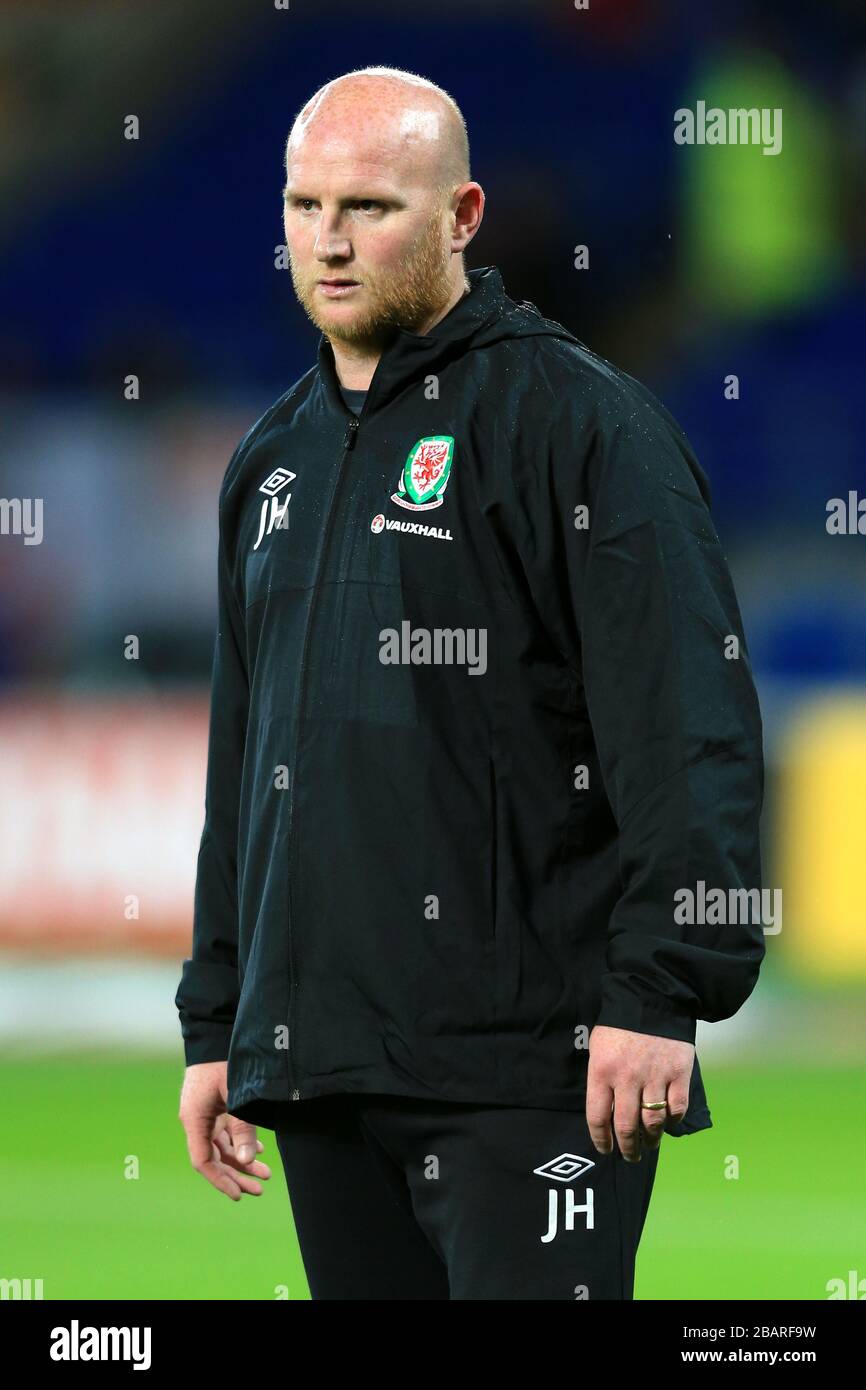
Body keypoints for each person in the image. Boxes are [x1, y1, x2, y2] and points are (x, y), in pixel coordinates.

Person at [176, 66, 766, 1300]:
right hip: (328, 1067)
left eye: (371, 208)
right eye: (304, 206)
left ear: (462, 215)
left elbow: (687, 725)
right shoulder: (269, 460)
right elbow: (247, 757)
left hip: (530, 1068)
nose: (327, 244)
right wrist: (219, 1017)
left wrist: (662, 993)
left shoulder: (582, 426)